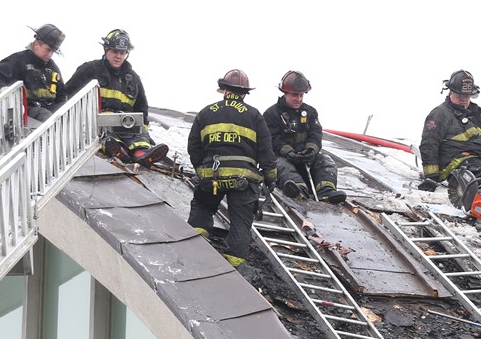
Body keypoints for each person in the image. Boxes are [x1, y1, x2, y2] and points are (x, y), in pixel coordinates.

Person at [186, 69, 278, 268]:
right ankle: (232, 266)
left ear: (224, 90)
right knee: (241, 224)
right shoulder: (254, 116)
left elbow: (193, 147)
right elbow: (266, 151)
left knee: (202, 208)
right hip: (244, 181)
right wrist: (271, 178)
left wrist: (201, 171)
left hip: (212, 177)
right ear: (244, 93)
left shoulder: (206, 112)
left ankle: (193, 249)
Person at [63, 29, 168, 165]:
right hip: (98, 122)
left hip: (127, 123)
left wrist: (145, 132)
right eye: (114, 52)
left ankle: (142, 153)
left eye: (122, 53)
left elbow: (142, 109)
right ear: (106, 50)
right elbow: (68, 95)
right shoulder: (90, 69)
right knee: (108, 136)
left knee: (139, 137)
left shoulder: (134, 79)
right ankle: (118, 150)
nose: (118, 56)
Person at [418, 70, 481, 197]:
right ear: (450, 92)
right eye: (460, 96)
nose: (464, 99)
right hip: (458, 164)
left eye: (467, 96)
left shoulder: (480, 114)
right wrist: (431, 177)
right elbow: (429, 144)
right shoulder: (439, 114)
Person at [262, 70, 347, 204]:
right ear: (285, 93)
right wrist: (289, 153)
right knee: (281, 165)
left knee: (326, 161)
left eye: (301, 95)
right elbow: (272, 140)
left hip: (307, 159)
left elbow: (316, 135)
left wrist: (311, 151)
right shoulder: (271, 114)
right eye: (295, 95)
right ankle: (297, 190)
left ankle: (326, 190)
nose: (299, 99)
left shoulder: (310, 112)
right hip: (284, 158)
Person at [0, 24, 68, 125]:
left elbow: (61, 96)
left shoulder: (53, 68)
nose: (50, 55)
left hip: (48, 115)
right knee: (45, 115)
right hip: (24, 113)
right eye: (48, 50)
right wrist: (8, 99)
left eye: (53, 52)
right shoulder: (17, 61)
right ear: (37, 45)